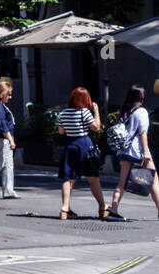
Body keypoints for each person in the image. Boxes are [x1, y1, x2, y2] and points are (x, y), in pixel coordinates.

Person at [106, 85, 159, 220]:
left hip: (124, 150)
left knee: (122, 182)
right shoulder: (141, 112)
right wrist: (146, 152)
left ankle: (114, 210)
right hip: (139, 151)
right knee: (153, 180)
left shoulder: (125, 111)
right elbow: (142, 133)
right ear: (142, 98)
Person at [56, 87, 106, 220]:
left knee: (68, 178)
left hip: (71, 146)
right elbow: (96, 127)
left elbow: (61, 132)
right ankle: (102, 208)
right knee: (93, 178)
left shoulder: (63, 113)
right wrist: (96, 111)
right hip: (85, 145)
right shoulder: (84, 112)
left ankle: (65, 209)